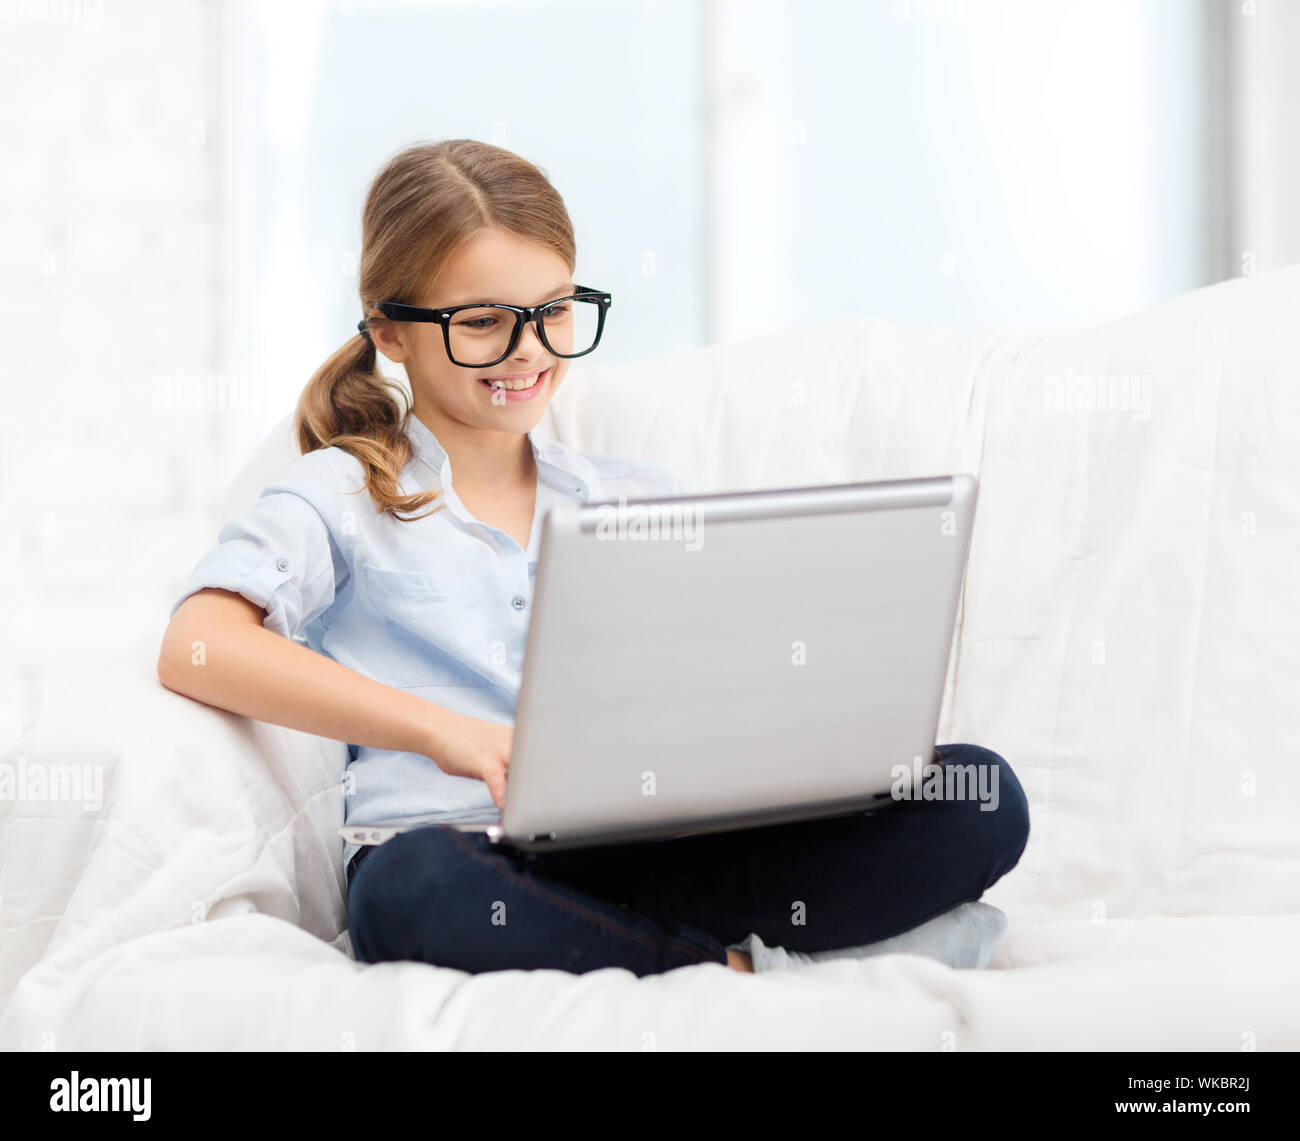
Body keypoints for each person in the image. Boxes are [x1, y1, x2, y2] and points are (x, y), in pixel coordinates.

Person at [158, 139, 1029, 978]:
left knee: (981, 795)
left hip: (657, 850)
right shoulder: (343, 493)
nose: (529, 350)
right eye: (484, 322)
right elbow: (196, 643)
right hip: (471, 856)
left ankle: (648, 941)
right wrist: (441, 731)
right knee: (409, 893)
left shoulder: (633, 497)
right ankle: (724, 964)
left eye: (553, 311)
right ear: (390, 329)